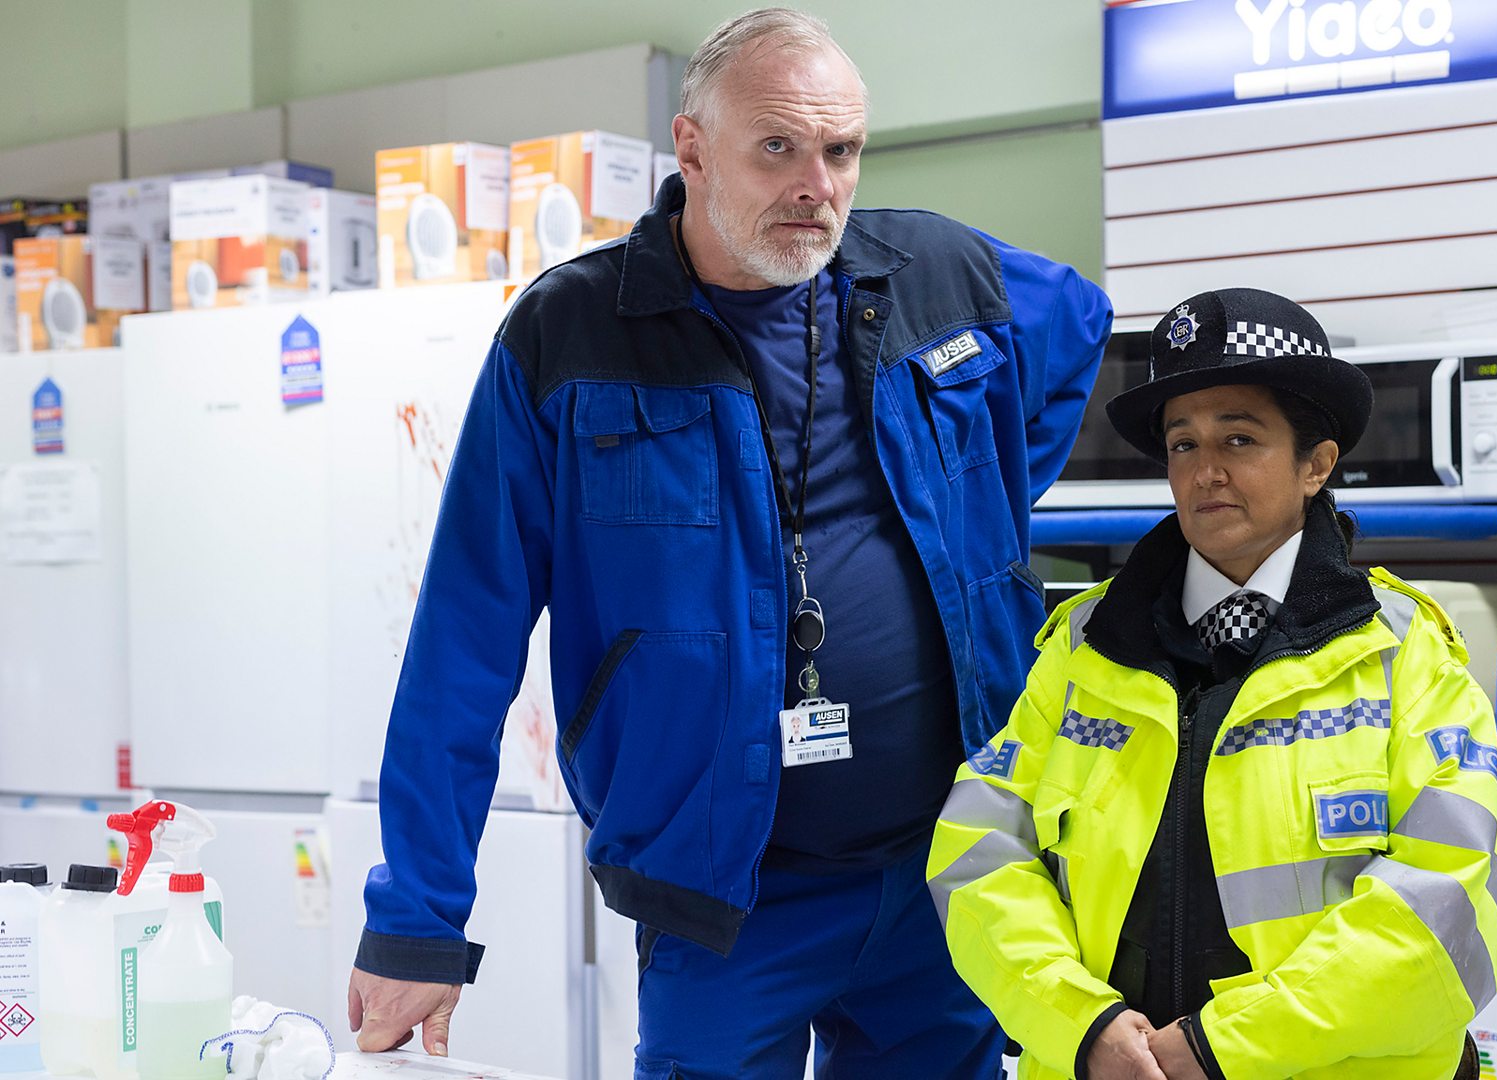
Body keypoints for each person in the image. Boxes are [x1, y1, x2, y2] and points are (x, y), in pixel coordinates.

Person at [344, 9, 1111, 1077]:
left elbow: (1079, 327)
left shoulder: (938, 271)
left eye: (841, 150)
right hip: (724, 901)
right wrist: (418, 920)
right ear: (693, 148)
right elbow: (463, 640)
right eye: (778, 148)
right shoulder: (570, 334)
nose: (816, 186)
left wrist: (982, 516)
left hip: (948, 874)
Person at [929, 289, 1497, 1080]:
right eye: (1183, 444)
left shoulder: (1404, 653)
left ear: (1316, 464)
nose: (1206, 472)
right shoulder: (1084, 646)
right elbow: (978, 855)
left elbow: (1450, 907)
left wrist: (1221, 1047)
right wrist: (1082, 1026)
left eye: (1240, 438)